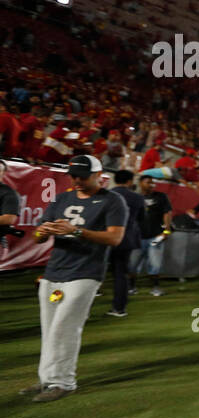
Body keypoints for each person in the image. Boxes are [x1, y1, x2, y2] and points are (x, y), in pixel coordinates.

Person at [21, 155, 126, 402]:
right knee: (49, 329)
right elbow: (37, 237)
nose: (77, 180)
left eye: (83, 175)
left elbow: (114, 239)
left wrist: (76, 231)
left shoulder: (113, 201)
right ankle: (47, 379)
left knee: (64, 328)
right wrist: (42, 231)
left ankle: (64, 382)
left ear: (98, 175)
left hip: (85, 273)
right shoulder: (62, 198)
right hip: (54, 271)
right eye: (73, 175)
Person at [106, 169, 144, 318]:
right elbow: (141, 218)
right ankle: (119, 308)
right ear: (129, 181)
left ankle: (84, 311)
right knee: (121, 273)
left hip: (104, 237)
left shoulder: (106, 194)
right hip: (126, 239)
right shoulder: (137, 197)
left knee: (94, 273)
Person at [134, 176, 172, 296]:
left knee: (155, 264)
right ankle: (131, 287)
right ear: (140, 183)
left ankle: (155, 287)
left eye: (152, 182)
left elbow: (167, 213)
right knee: (133, 264)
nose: (151, 184)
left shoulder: (161, 196)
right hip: (137, 236)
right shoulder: (135, 197)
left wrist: (166, 231)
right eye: (148, 182)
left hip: (156, 235)